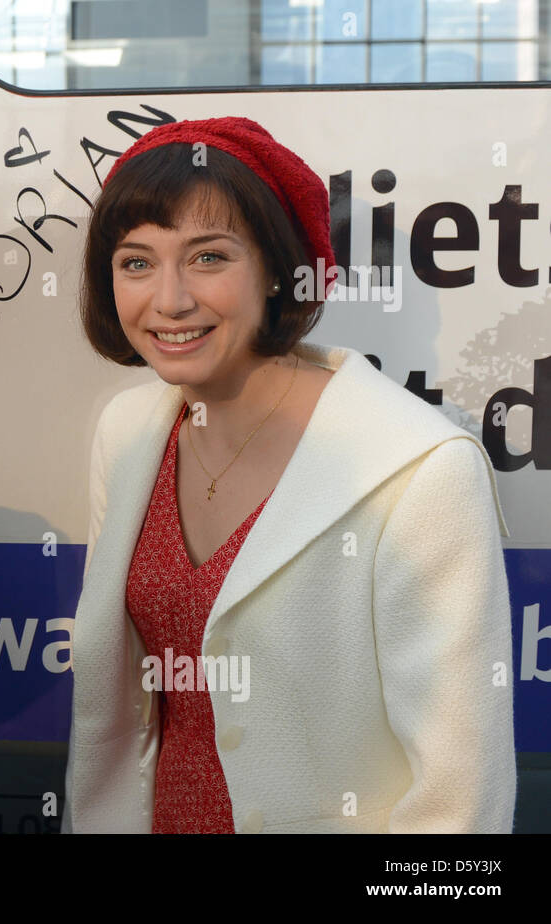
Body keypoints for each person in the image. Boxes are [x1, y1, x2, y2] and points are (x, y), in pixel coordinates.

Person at [63, 117, 516, 833]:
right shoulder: (126, 432)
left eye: (208, 258)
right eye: (137, 262)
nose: (170, 300)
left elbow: (460, 803)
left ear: (279, 267)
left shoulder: (421, 470)